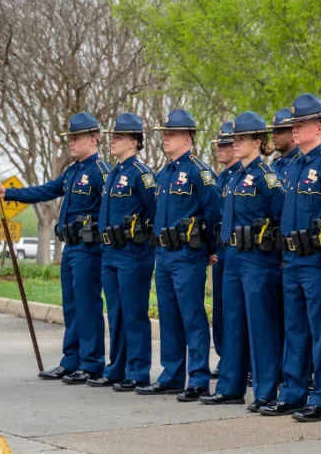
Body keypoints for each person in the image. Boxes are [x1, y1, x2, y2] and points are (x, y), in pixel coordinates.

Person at [0, 112, 111, 383]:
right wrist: (9, 193)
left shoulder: (101, 172)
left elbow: (110, 211)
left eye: (76, 137)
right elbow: (46, 191)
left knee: (87, 305)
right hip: (70, 247)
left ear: (94, 139)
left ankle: (92, 363)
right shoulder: (72, 171)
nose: (70, 142)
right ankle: (71, 360)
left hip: (89, 248)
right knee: (70, 305)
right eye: (69, 137)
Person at [261, 95, 321, 421]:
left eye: (301, 124)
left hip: (318, 259)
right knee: (295, 327)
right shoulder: (293, 165)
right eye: (293, 124)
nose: (294, 129)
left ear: (320, 127)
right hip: (292, 260)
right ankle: (293, 393)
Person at [202, 112, 286, 410]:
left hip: (257, 258)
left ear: (258, 142)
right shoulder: (233, 177)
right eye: (234, 139)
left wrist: (278, 256)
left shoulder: (267, 177)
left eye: (241, 139)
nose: (235, 144)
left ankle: (265, 391)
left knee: (261, 325)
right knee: (232, 321)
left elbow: (281, 217)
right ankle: (230, 386)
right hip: (233, 256)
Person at [138, 109, 222, 400]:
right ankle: (172, 374)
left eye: (171, 134)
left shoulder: (199, 171)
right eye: (164, 134)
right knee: (169, 316)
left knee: (193, 316)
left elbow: (214, 212)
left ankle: (198, 378)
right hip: (164, 254)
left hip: (188, 253)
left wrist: (210, 247)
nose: (165, 138)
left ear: (187, 138)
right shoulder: (164, 173)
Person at [92, 113, 159, 391]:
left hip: (133, 253)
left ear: (134, 141)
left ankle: (138, 370)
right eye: (112, 137)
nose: (112, 141)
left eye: (118, 137)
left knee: (134, 313)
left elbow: (154, 213)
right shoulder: (113, 174)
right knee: (116, 313)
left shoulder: (141, 175)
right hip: (110, 252)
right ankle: (117, 367)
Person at [210, 122, 236, 375]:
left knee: (235, 310)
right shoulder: (223, 176)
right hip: (220, 249)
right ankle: (224, 355)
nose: (221, 149)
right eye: (219, 144)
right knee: (220, 308)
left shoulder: (243, 175)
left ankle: (237, 359)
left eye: (226, 144)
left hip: (237, 251)